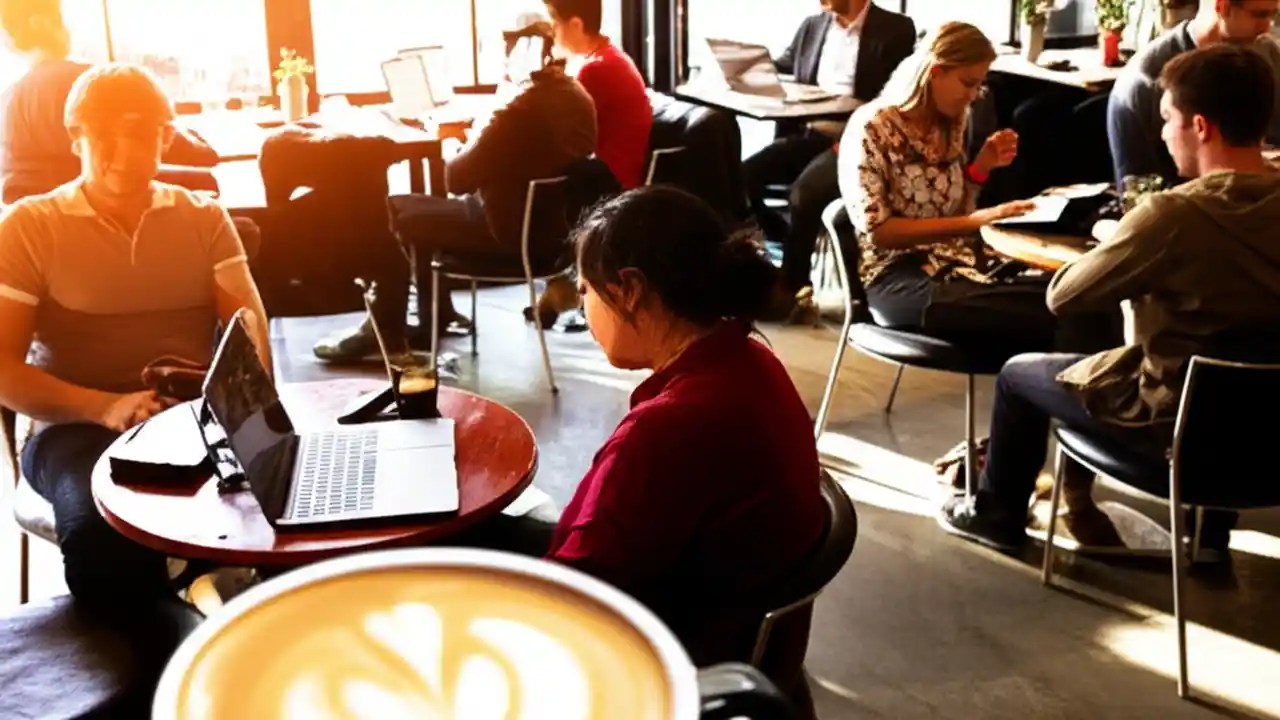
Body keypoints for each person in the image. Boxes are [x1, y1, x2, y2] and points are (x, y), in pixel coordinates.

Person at [940, 45, 1280, 557]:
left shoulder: (1172, 216)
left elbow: (1065, 296)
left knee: (1017, 376)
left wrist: (1120, 239)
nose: (1163, 135)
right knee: (1236, 343)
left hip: (1169, 431)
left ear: (1202, 127)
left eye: (1168, 120)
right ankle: (1210, 539)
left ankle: (995, 517)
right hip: (1266, 444)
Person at [0, 62, 269, 636]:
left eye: (142, 134)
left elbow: (248, 322)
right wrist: (104, 406)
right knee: (102, 542)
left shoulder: (201, 216)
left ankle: (214, 617)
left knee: (283, 503)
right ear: (75, 138)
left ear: (166, 138)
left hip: (188, 414)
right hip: (72, 428)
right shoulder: (28, 226)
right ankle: (177, 644)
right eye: (104, 135)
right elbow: (2, 370)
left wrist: (252, 414)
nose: (125, 152)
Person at [313, 18, 597, 362]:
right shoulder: (578, 98)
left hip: (506, 233)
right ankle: (435, 316)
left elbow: (456, 179)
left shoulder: (518, 111)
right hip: (556, 238)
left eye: (509, 47)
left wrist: (461, 141)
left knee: (394, 210)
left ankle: (385, 328)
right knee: (415, 212)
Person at [838, 22, 1057, 345]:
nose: (973, 96)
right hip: (896, 276)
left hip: (958, 260)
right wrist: (973, 222)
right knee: (1042, 312)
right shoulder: (873, 126)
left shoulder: (952, 119)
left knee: (1064, 294)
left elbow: (950, 206)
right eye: (967, 83)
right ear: (935, 72)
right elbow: (880, 231)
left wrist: (982, 166)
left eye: (978, 86)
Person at [744, 0, 916, 312]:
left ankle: (791, 285)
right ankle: (785, 240)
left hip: (857, 139)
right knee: (744, 176)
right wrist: (744, 67)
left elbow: (897, 96)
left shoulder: (895, 29)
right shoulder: (813, 25)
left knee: (805, 192)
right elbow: (784, 67)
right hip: (810, 132)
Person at [0, 0, 219, 204]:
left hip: (44, 228)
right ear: (40, 23)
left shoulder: (8, 99)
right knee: (209, 186)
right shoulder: (89, 84)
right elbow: (178, 149)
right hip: (94, 214)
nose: (69, 30)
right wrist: (195, 141)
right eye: (61, 19)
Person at [1107, 0, 1280, 189]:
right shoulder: (1145, 82)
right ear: (1222, 7)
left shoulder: (1268, 56)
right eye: (1260, 15)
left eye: (1273, 15)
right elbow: (1138, 191)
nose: (1266, 28)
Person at [544, 0, 652, 190]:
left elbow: (554, 130)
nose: (550, 30)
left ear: (576, 24)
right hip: (608, 177)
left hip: (606, 187)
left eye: (554, 21)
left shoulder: (596, 70)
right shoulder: (612, 57)